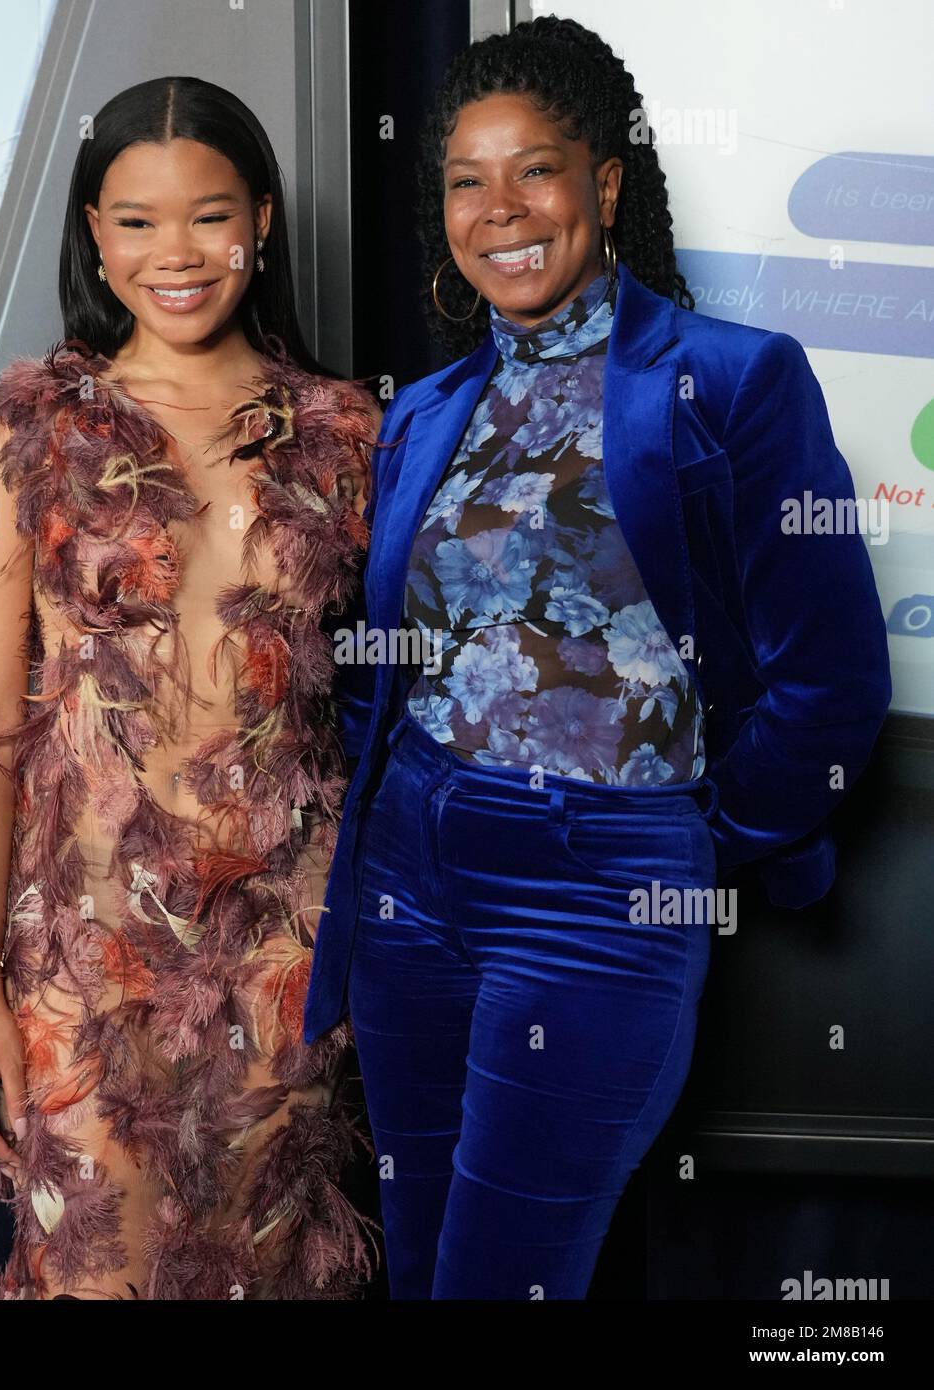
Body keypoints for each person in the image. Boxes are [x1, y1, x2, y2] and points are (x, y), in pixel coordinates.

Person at [303, 16, 892, 1299]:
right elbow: (378, 656)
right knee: (415, 1273)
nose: (498, 209)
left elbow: (831, 680)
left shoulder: (733, 380)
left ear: (604, 185)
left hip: (597, 897)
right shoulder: (423, 407)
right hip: (415, 881)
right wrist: (394, 802)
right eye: (465, 179)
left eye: (534, 170)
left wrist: (673, 836)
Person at [0, 76, 381, 1300]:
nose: (172, 254)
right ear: (91, 231)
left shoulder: (346, 433)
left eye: (207, 215)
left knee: (267, 1281)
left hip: (285, 956)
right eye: (134, 220)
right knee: (90, 1278)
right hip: (81, 960)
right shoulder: (21, 432)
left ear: (265, 222)